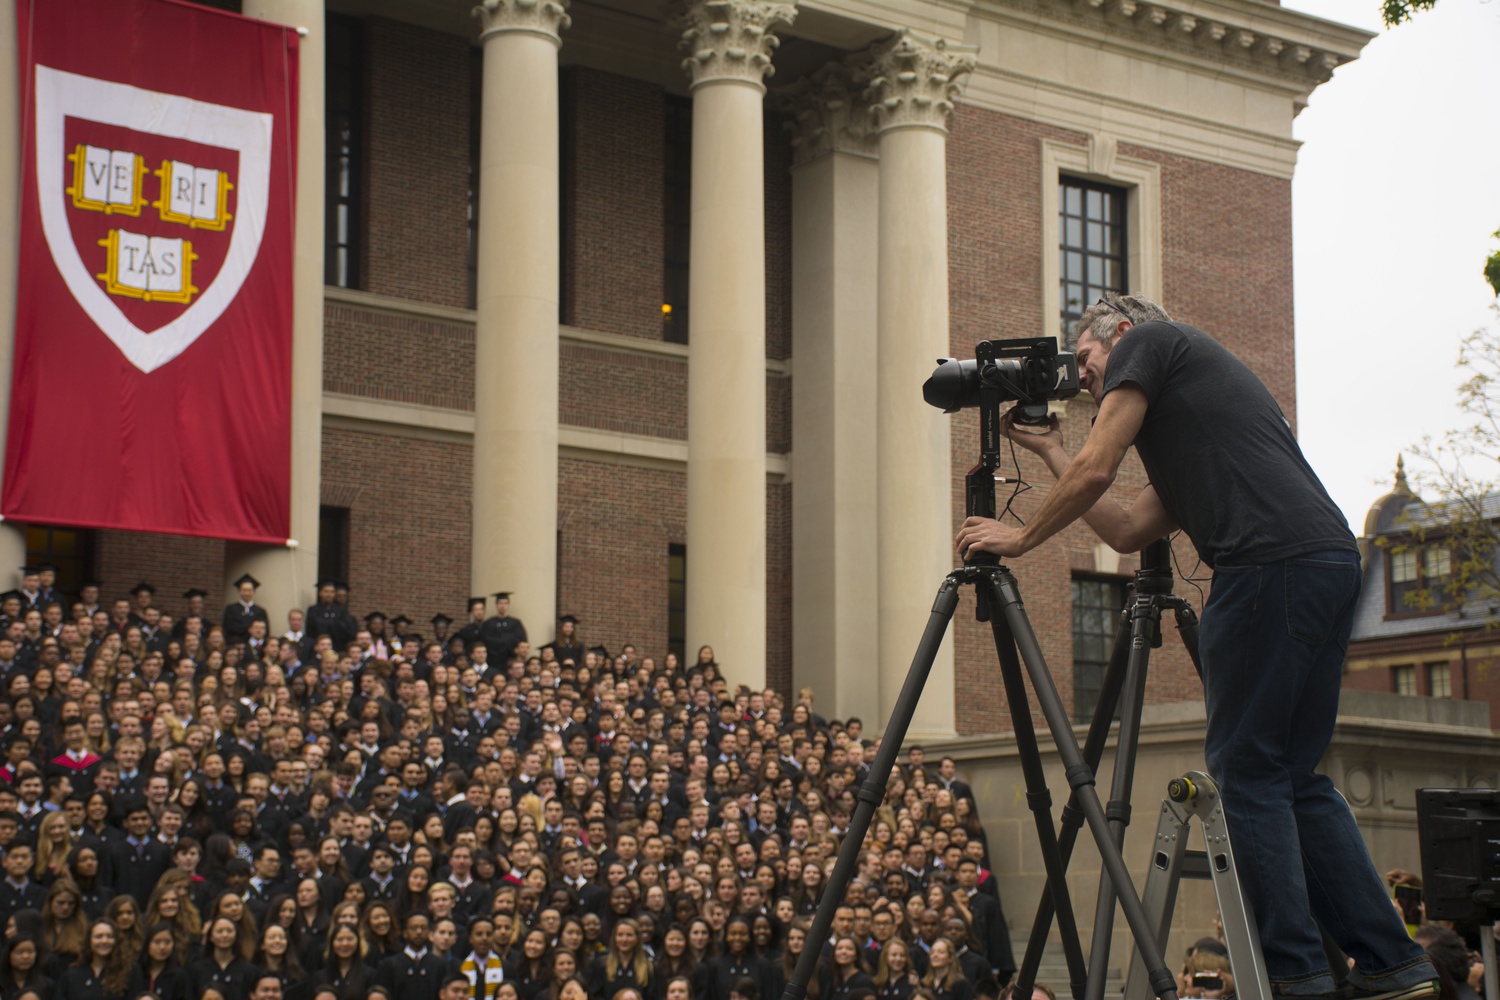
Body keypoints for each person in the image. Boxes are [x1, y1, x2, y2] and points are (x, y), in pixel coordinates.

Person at [954, 291, 1439, 1000]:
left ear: (1119, 334)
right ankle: (1393, 963)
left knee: (1244, 773)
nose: (1082, 377)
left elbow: (1099, 468)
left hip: (1265, 566)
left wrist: (1020, 537)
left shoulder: (1154, 343)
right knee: (1292, 778)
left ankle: (1296, 972)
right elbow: (1122, 528)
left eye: (1085, 360)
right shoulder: (1201, 426)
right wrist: (1053, 449)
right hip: (1327, 563)